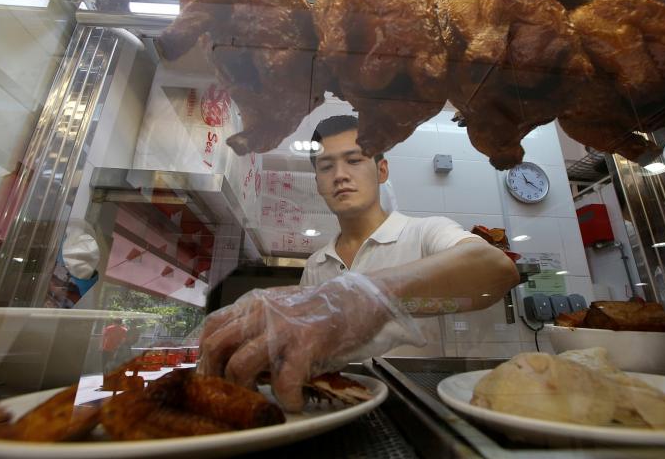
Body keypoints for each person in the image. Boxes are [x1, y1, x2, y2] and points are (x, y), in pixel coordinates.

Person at [201, 115, 520, 411]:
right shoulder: (317, 264)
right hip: (336, 408)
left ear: (382, 171)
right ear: (318, 183)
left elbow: (496, 268)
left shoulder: (424, 232)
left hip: (421, 407)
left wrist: (363, 294)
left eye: (354, 160)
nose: (340, 175)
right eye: (326, 166)